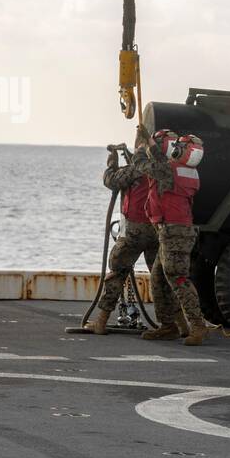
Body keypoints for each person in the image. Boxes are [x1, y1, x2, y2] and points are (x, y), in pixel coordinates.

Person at [139, 127, 209, 346]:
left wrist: (142, 148)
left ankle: (197, 326)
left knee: (178, 278)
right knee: (159, 278)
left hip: (174, 232)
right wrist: (150, 143)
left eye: (179, 146)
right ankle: (168, 325)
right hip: (171, 231)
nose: (174, 148)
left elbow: (145, 166)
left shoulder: (170, 170)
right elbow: (161, 164)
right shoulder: (188, 172)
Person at [89, 140, 159, 335]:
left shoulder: (133, 170)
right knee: (161, 278)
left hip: (134, 231)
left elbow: (111, 180)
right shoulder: (161, 168)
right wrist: (129, 155)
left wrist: (112, 162)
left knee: (117, 271)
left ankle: (101, 322)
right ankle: (175, 324)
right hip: (157, 229)